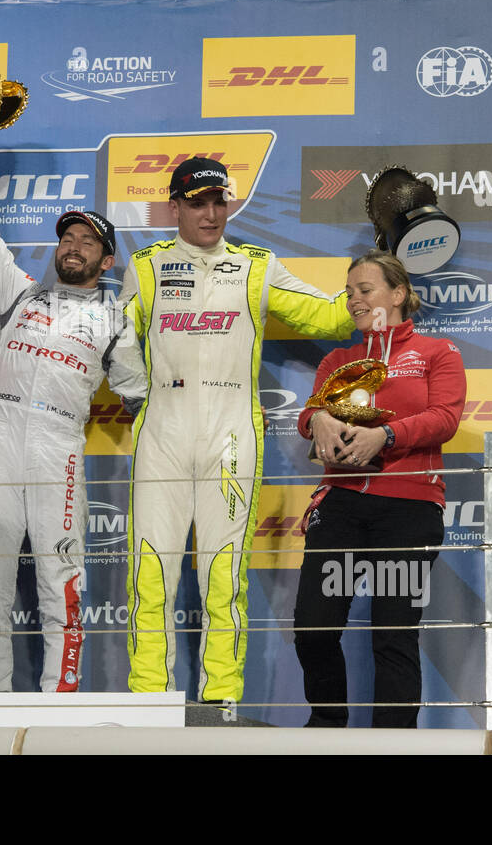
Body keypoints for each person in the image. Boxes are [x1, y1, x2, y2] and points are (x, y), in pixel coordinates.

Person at [119, 157, 355, 702]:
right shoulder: (146, 266)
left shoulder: (258, 265)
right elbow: (116, 341)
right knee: (150, 574)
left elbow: (327, 318)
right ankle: (146, 701)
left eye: (219, 201)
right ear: (174, 207)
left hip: (231, 438)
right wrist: (138, 395)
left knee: (223, 576)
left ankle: (221, 699)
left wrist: (377, 283)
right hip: (162, 436)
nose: (210, 213)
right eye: (197, 203)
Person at [0, 133, 146, 692]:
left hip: (58, 445)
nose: (74, 245)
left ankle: (60, 703)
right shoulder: (20, 292)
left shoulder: (115, 318)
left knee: (62, 582)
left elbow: (140, 401)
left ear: (106, 261)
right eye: (68, 237)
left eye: (88, 241)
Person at [293, 250, 465, 727]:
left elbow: (445, 417)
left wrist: (385, 436)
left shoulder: (437, 352)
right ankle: (327, 727)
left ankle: (393, 742)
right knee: (314, 628)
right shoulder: (338, 358)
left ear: (399, 294)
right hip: (342, 506)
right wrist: (319, 419)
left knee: (393, 632)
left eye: (365, 291)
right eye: (349, 293)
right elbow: (308, 415)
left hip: (407, 508)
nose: (354, 301)